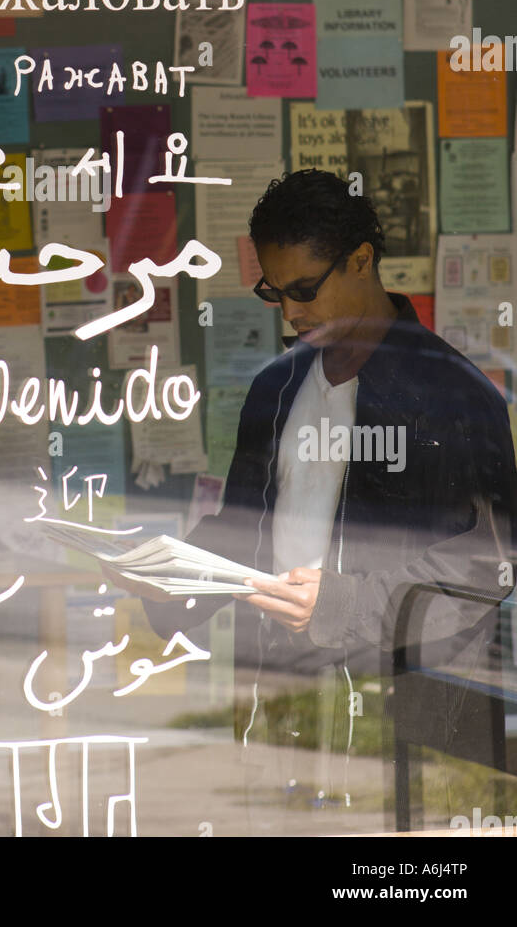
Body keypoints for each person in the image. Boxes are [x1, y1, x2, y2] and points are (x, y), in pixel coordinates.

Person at [139, 168, 517, 824]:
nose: (289, 313)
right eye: (272, 292)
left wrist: (341, 604)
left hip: (410, 747)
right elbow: (243, 530)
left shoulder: (456, 397)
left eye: (304, 290)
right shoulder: (273, 390)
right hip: (278, 727)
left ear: (361, 261)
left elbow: (487, 567)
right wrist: (172, 578)